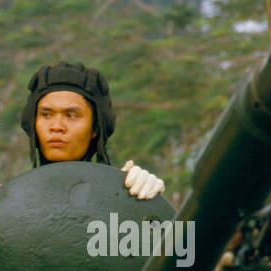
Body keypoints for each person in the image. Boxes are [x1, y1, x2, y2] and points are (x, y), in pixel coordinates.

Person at [18, 61, 164, 200]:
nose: (57, 126)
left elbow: (153, 223)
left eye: (71, 115)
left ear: (94, 128)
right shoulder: (6, 199)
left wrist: (148, 202)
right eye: (46, 115)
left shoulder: (121, 195)